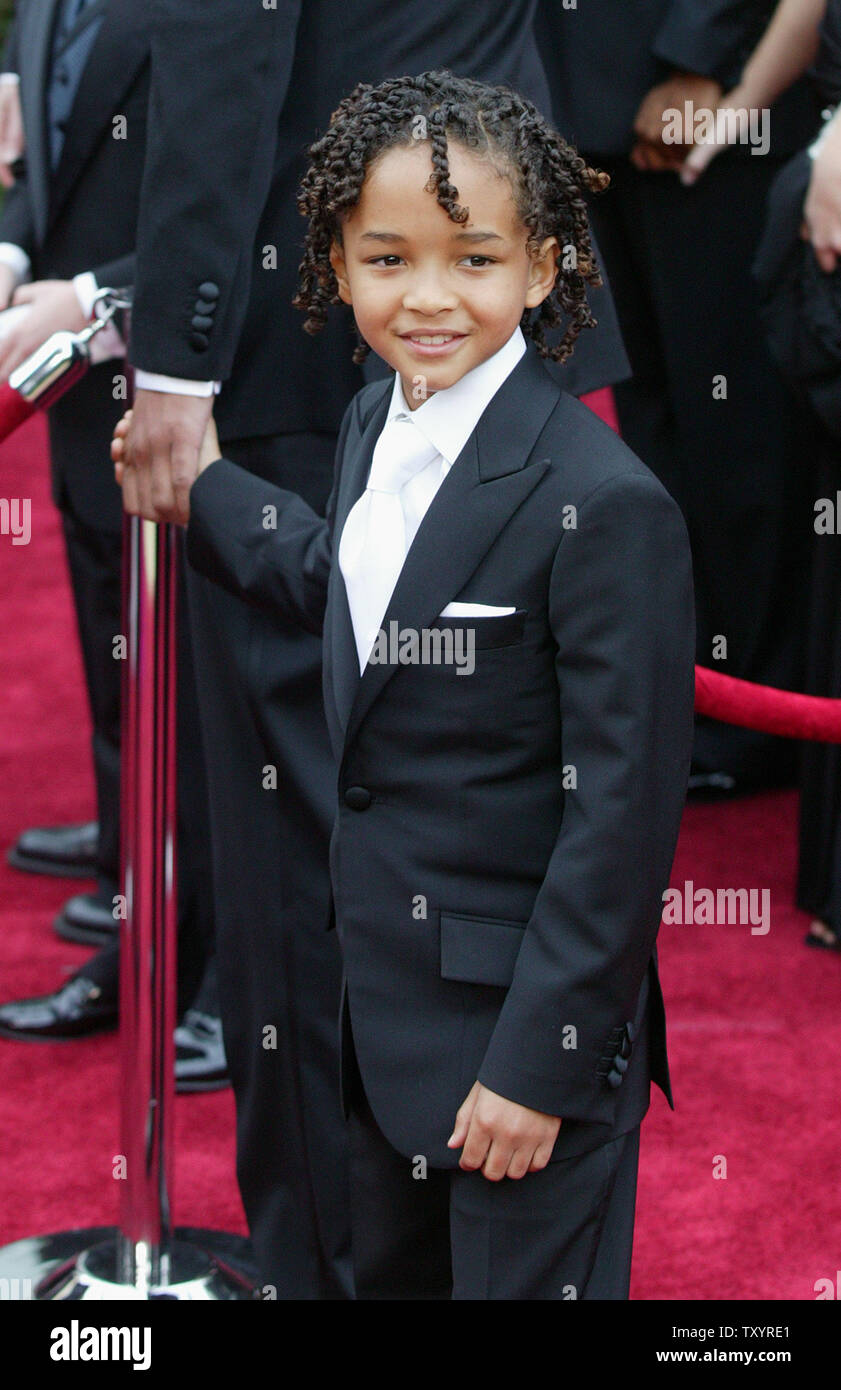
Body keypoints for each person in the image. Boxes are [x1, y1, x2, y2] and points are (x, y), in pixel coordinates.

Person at [116, 70, 696, 1299]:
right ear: (334, 261)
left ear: (541, 269)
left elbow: (622, 821)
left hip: (517, 1062)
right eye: (387, 259)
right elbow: (361, 586)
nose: (428, 297)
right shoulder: (373, 420)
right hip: (375, 1038)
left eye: (472, 259)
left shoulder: (606, 503)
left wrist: (544, 1063)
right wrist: (204, 484)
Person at [0, 0, 223, 1089]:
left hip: (199, 371)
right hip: (73, 375)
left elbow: (258, 169)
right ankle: (143, 927)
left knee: (206, 696)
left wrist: (96, 297)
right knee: (116, 659)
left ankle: (230, 978)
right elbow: (35, 123)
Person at [536, 0, 822, 795]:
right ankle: (681, 704)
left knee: (736, 432)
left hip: (708, 95)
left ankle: (762, 716)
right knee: (654, 431)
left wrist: (692, 60)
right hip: (579, 105)